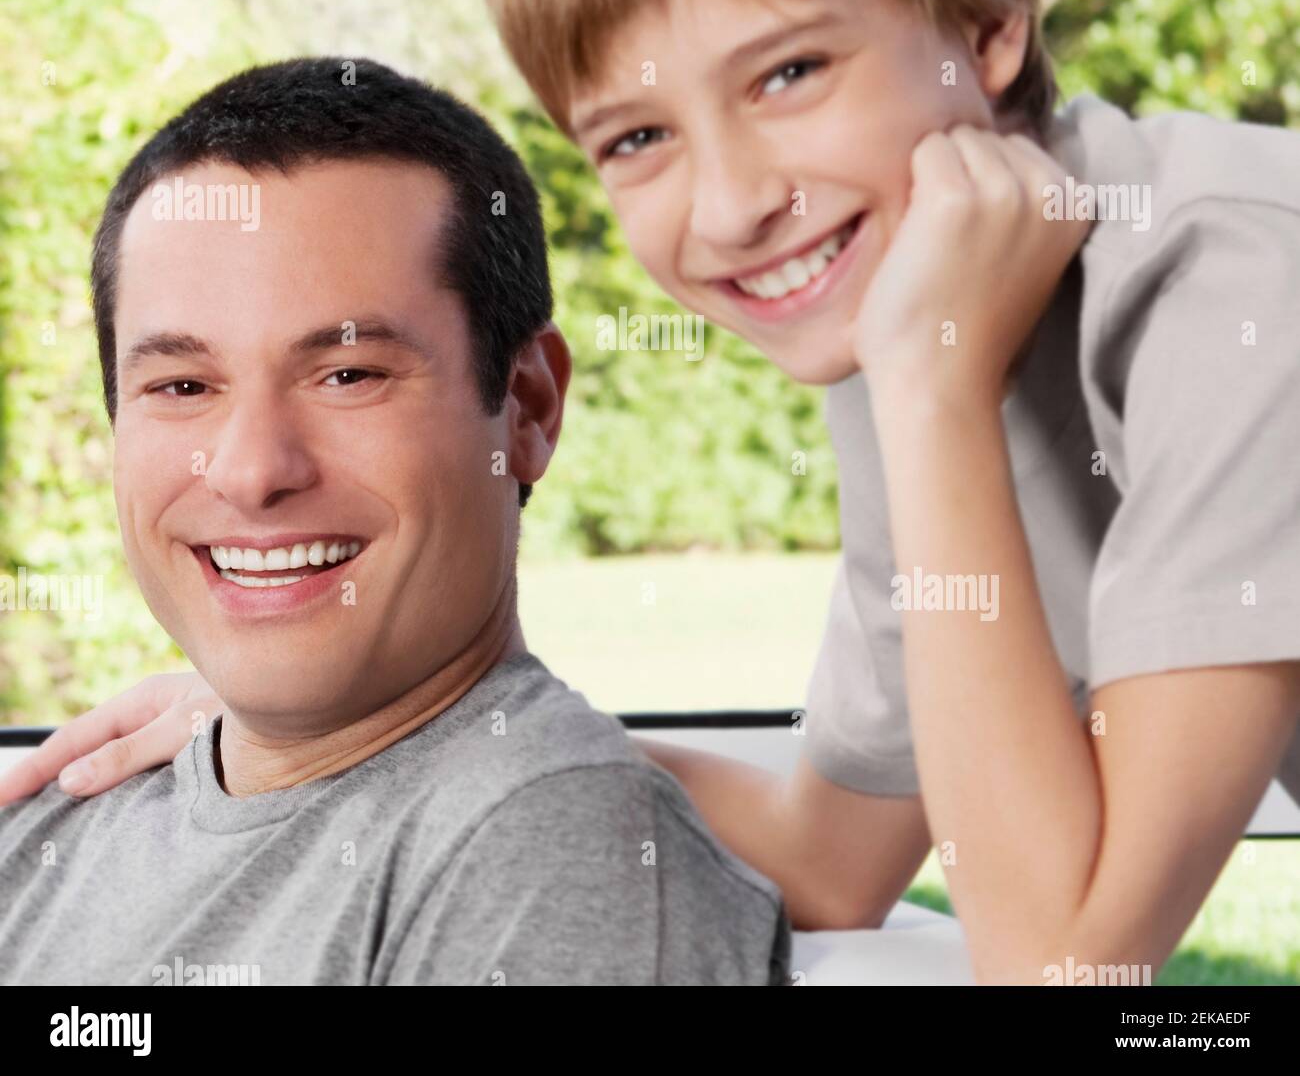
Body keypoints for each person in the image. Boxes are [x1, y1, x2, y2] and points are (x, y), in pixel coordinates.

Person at [7, 0, 1299, 984]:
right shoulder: (912, 302)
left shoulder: (1229, 282)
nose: (733, 204)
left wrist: (934, 388)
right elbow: (840, 846)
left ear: (990, 24)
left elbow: (1068, 965)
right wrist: (344, 722)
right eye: (637, 136)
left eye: (789, 73)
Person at [0, 57, 791, 986]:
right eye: (182, 385)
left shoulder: (551, 834)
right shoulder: (53, 824)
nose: (253, 472)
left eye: (349, 376)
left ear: (528, 408)